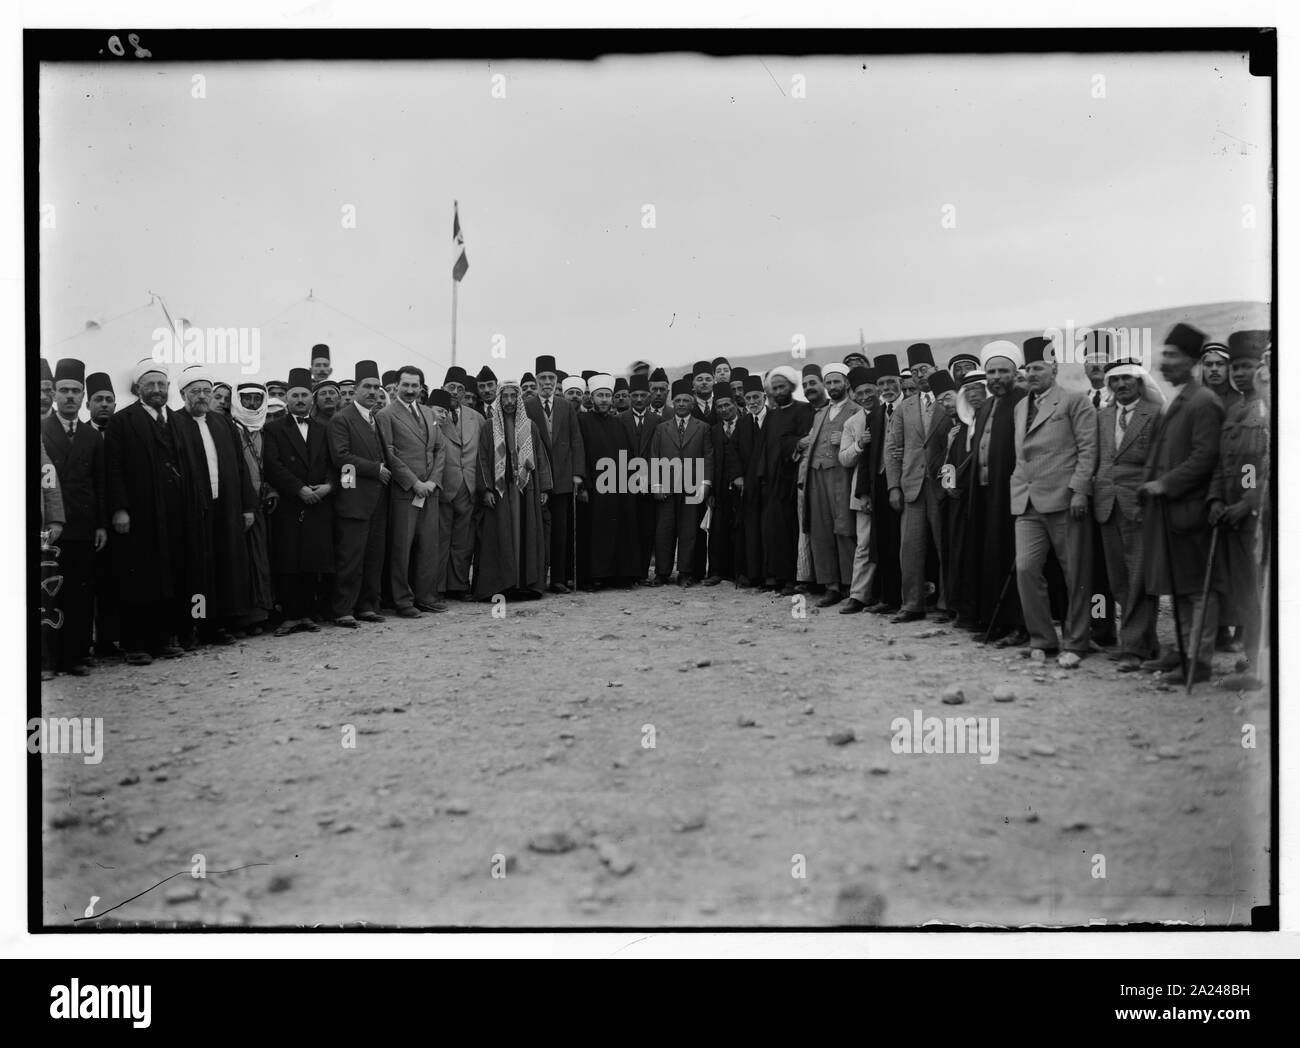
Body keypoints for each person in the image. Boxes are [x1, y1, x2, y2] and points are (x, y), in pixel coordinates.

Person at [1138, 323, 1224, 683]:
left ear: (1191, 361)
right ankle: (1186, 655)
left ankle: (1199, 661)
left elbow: (1205, 458)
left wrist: (1164, 484)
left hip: (1188, 509)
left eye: (1172, 357)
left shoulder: (1204, 402)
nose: (1164, 364)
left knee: (1196, 590)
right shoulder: (1182, 398)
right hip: (1171, 511)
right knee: (1181, 589)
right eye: (1164, 355)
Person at [1009, 336, 1098, 666]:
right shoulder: (1021, 406)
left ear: (1055, 368)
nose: (1031, 373)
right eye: (1027, 368)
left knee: (1075, 573)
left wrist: (1079, 490)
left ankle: (1076, 642)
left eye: (1038, 367)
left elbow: (1089, 449)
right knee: (1026, 568)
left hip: (1065, 499)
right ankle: (1042, 639)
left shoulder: (1075, 401)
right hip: (1027, 502)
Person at [104, 362, 194, 663]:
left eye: (161, 384)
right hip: (139, 512)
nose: (157, 390)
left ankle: (163, 640)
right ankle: (135, 644)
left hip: (173, 512)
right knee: (139, 577)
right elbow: (113, 468)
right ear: (138, 389)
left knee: (171, 574)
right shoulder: (122, 421)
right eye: (150, 384)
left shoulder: (179, 422)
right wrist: (119, 509)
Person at [172, 364, 257, 646]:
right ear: (183, 394)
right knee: (197, 570)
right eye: (195, 391)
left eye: (206, 391)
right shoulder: (175, 423)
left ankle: (216, 626)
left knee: (223, 567)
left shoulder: (223, 424)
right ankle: (192, 626)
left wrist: (247, 507)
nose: (202, 396)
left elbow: (241, 469)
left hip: (225, 507)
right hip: (193, 510)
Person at [1208, 329, 1270, 686]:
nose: (1241, 373)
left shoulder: (1268, 409)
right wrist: (1216, 499)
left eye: (1248, 366)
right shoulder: (1233, 410)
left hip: (1255, 517)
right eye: (1238, 367)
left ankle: (1258, 665)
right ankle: (1249, 660)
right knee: (1243, 591)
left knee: (1258, 592)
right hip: (1230, 515)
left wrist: (1246, 505)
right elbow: (1222, 462)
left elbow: (1268, 468)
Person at [1095, 357, 1163, 672]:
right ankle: (1146, 642)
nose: (1121, 385)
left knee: (1139, 577)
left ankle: (1133, 647)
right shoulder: (1102, 416)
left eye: (1127, 379)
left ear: (1138, 381)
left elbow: (1163, 462)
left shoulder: (1156, 415)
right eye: (1115, 380)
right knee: (1119, 579)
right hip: (1107, 505)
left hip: (1140, 506)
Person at [961, 341, 1028, 645]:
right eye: (992, 372)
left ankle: (1017, 625)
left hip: (1011, 492)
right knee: (986, 553)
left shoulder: (1025, 401)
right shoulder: (986, 406)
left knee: (1009, 555)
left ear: (1015, 372)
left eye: (1003, 371)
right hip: (985, 492)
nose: (997, 377)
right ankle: (990, 618)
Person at [41, 358, 105, 676]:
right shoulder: (39, 429)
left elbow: (100, 482)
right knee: (51, 594)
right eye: (63, 390)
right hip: (50, 528)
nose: (69, 396)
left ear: (83, 397)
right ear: (54, 394)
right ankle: (48, 659)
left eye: (75, 391)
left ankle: (77, 655)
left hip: (82, 525)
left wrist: (101, 524)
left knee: (81, 592)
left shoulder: (92, 436)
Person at [262, 368, 334, 636]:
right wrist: (299, 489)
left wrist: (328, 486)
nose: (300, 399)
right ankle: (290, 616)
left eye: (305, 395)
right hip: (290, 504)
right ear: (288, 399)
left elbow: (333, 463)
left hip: (318, 503)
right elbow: (273, 465)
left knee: (311, 561)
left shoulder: (324, 429)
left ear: (311, 399)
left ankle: (306, 614)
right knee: (289, 560)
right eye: (295, 395)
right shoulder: (273, 429)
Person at [886, 359, 954, 622]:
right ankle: (912, 604)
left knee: (944, 545)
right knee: (910, 547)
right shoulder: (905, 406)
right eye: (914, 372)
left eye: (923, 369)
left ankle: (948, 603)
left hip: (941, 486)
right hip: (912, 486)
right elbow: (892, 449)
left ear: (934, 369)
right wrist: (894, 486)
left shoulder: (948, 399)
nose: (919, 374)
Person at [377, 364, 447, 617]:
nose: (410, 390)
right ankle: (402, 600)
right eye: (405, 385)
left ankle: (425, 596)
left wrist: (432, 481)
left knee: (428, 546)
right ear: (396, 386)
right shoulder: (386, 415)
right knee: (401, 547)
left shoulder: (429, 413)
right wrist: (414, 482)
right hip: (405, 492)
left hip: (429, 491)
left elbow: (440, 450)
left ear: (421, 387)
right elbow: (390, 453)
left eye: (414, 385)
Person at [474, 378, 552, 600]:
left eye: (512, 396)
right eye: (504, 397)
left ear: (518, 399)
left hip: (525, 491)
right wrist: (487, 490)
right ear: (499, 399)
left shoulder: (530, 427)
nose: (509, 401)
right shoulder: (489, 427)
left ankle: (525, 585)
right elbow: (481, 460)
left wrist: (544, 488)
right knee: (501, 535)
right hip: (500, 492)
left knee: (525, 533)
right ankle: (503, 585)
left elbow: (540, 459)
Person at [328, 359, 392, 628]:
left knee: (373, 557)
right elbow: (340, 457)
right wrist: (375, 469)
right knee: (351, 557)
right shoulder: (342, 419)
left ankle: (368, 606)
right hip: (354, 498)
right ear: (355, 389)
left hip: (377, 500)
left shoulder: (374, 418)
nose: (373, 392)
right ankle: (344, 609)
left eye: (377, 387)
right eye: (367, 386)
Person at [526, 355, 586, 593]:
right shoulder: (527, 405)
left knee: (561, 531)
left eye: (551, 378)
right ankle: (536, 579)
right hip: (537, 478)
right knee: (537, 531)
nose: (547, 382)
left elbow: (576, 440)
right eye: (543, 378)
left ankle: (559, 579)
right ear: (537, 380)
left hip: (562, 479)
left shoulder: (564, 406)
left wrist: (578, 474)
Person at [797, 362, 855, 607]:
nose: (832, 387)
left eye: (836, 382)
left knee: (844, 529)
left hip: (842, 476)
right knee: (820, 531)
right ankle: (830, 585)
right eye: (828, 382)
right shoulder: (820, 413)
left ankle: (851, 585)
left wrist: (845, 439)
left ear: (846, 384)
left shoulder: (856, 411)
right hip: (816, 476)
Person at [576, 374, 640, 588]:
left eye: (607, 395)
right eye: (600, 395)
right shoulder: (582, 421)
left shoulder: (618, 423)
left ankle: (620, 576)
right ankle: (595, 577)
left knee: (621, 531)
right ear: (591, 398)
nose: (604, 399)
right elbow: (580, 453)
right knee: (595, 533)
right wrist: (583, 484)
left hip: (619, 486)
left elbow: (628, 454)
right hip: (594, 488)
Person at [650, 378, 714, 586]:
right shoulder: (662, 428)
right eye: (677, 400)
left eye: (686, 400)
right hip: (667, 487)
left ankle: (685, 573)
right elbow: (654, 457)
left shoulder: (702, 428)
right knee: (664, 531)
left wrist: (705, 484)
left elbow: (708, 457)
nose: (681, 404)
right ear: (673, 402)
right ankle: (662, 572)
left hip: (691, 487)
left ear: (692, 404)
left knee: (688, 531)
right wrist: (656, 485)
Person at [756, 366, 813, 595]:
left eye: (782, 387)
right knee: (773, 531)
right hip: (772, 481)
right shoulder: (772, 415)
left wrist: (793, 446)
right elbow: (764, 447)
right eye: (775, 388)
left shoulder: (804, 410)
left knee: (791, 531)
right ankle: (775, 577)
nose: (779, 391)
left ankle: (792, 579)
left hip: (792, 479)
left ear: (791, 387)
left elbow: (803, 440)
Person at [434, 372, 487, 602]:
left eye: (459, 388)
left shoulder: (477, 418)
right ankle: (438, 586)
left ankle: (458, 585)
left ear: (465, 392)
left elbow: (484, 454)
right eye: (450, 387)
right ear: (443, 388)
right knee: (440, 538)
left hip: (469, 486)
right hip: (443, 486)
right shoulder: (433, 415)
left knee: (464, 540)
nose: (454, 392)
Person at [938, 370, 985, 627]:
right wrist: (949, 486)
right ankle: (961, 610)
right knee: (959, 555)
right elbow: (948, 461)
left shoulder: (989, 423)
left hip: (981, 501)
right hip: (958, 503)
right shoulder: (959, 428)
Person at [230, 381, 276, 636]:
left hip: (262, 505)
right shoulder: (229, 427)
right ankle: (241, 619)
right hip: (239, 506)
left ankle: (261, 614)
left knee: (261, 560)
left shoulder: (266, 430)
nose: (251, 404)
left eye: (257, 400)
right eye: (246, 399)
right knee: (242, 562)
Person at [837, 365, 880, 614]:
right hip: (862, 491)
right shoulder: (852, 422)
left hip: (889, 487)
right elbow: (844, 458)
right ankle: (859, 594)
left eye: (868, 390)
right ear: (852, 394)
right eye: (859, 392)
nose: (865, 396)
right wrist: (859, 446)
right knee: (864, 544)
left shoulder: (889, 413)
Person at [863, 353, 904, 612]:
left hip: (904, 483)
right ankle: (888, 598)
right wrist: (866, 492)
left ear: (899, 381)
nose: (887, 388)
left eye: (891, 382)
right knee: (884, 542)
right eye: (882, 384)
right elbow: (869, 455)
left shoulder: (910, 407)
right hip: (880, 482)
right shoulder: (876, 413)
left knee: (905, 543)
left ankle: (907, 598)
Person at [83, 371, 120, 657]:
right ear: (88, 404)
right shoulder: (82, 435)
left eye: (109, 399)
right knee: (90, 583)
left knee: (115, 581)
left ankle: (112, 639)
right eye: (98, 400)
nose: (104, 404)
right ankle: (89, 642)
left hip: (121, 519)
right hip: (90, 521)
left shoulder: (123, 433)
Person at [704, 385, 751, 585]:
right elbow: (711, 460)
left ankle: (741, 572)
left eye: (727, 405)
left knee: (741, 528)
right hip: (720, 487)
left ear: (734, 405)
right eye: (719, 406)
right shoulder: (714, 431)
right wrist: (711, 490)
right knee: (718, 529)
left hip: (742, 485)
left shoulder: (746, 425)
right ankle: (716, 571)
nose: (724, 409)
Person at [618, 373, 663, 581]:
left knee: (647, 528)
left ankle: (643, 571)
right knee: (628, 528)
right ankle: (628, 571)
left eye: (642, 395)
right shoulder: (619, 420)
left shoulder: (658, 421)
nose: (638, 399)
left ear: (649, 396)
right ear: (628, 396)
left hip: (648, 482)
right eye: (634, 395)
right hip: (623, 482)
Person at [1199, 341, 1240, 414]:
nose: (1214, 369)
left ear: (1228, 368)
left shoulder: (1240, 401)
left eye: (1220, 364)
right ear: (1202, 369)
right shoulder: (1193, 401)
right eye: (1208, 364)